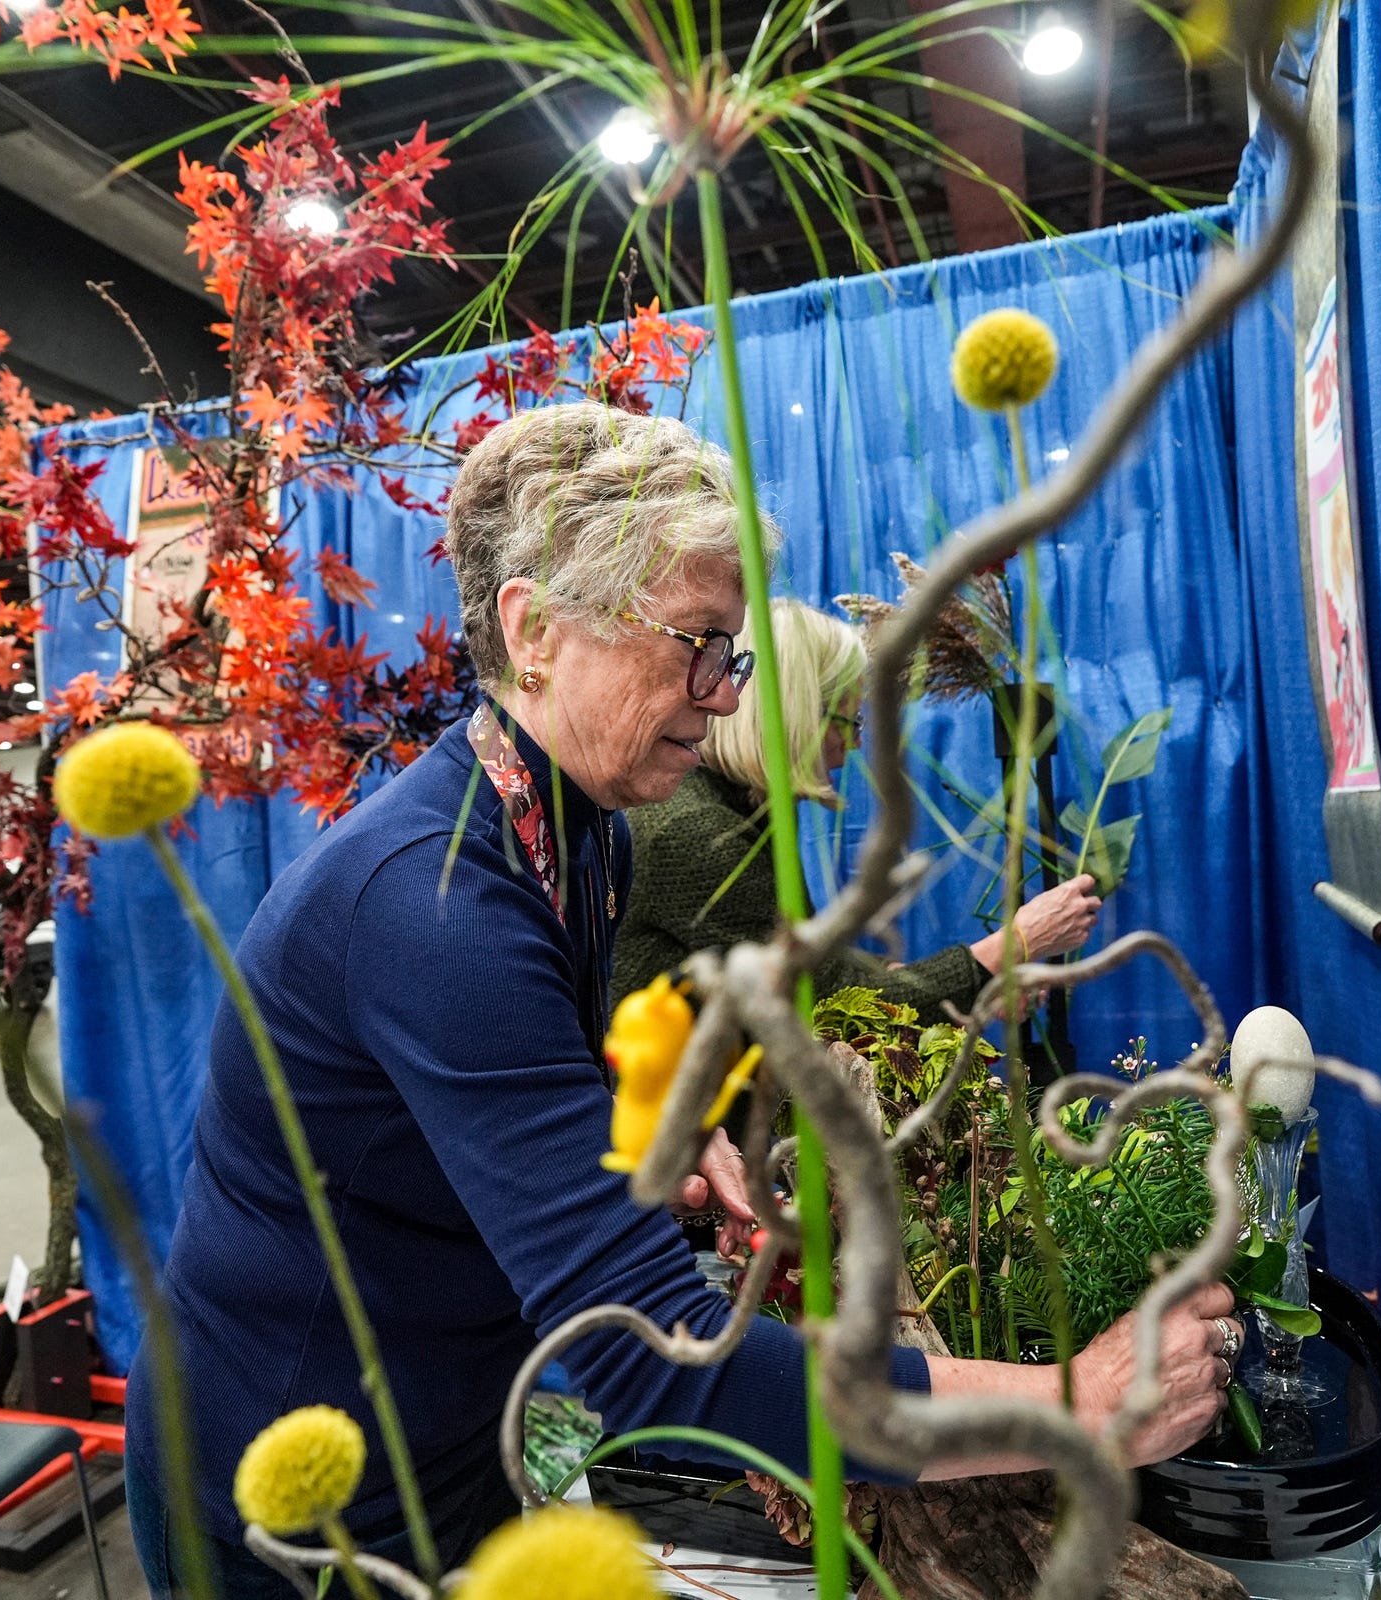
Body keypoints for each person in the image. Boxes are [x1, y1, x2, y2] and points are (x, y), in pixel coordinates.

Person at [126, 403, 1238, 1595]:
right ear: (536, 629)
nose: (722, 694)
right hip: (302, 1489)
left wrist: (644, 1112)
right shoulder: (433, 903)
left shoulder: (578, 833)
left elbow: (532, 1068)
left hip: (452, 1429)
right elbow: (655, 1362)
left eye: (736, 652)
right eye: (697, 641)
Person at [615, 597, 1105, 1016]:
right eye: (846, 722)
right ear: (797, 715)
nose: (852, 747)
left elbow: (825, 974)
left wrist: (971, 985)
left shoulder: (730, 811)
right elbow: (825, 1001)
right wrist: (1014, 945)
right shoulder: (701, 834)